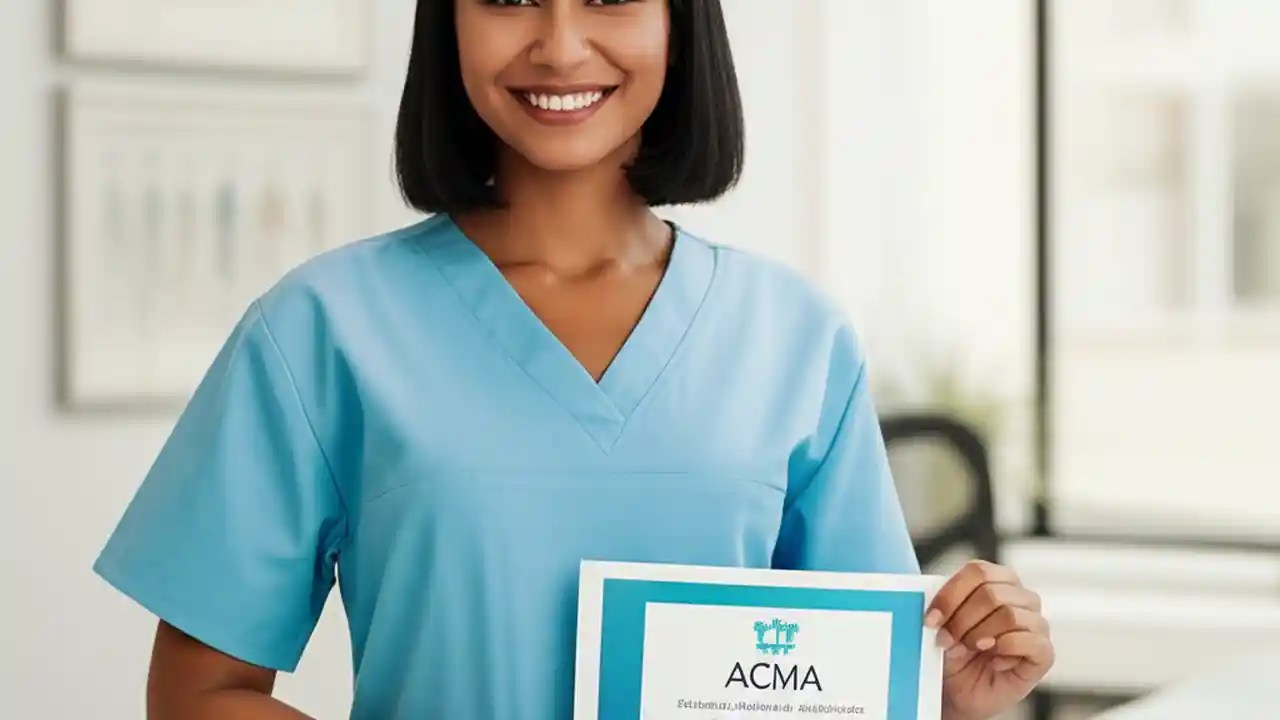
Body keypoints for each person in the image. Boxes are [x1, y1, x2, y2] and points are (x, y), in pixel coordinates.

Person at [94, 1, 1054, 718]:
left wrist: (948, 695)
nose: (558, 43)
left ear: (682, 21)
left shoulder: (795, 337)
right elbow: (198, 696)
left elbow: (849, 686)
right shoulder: (321, 328)